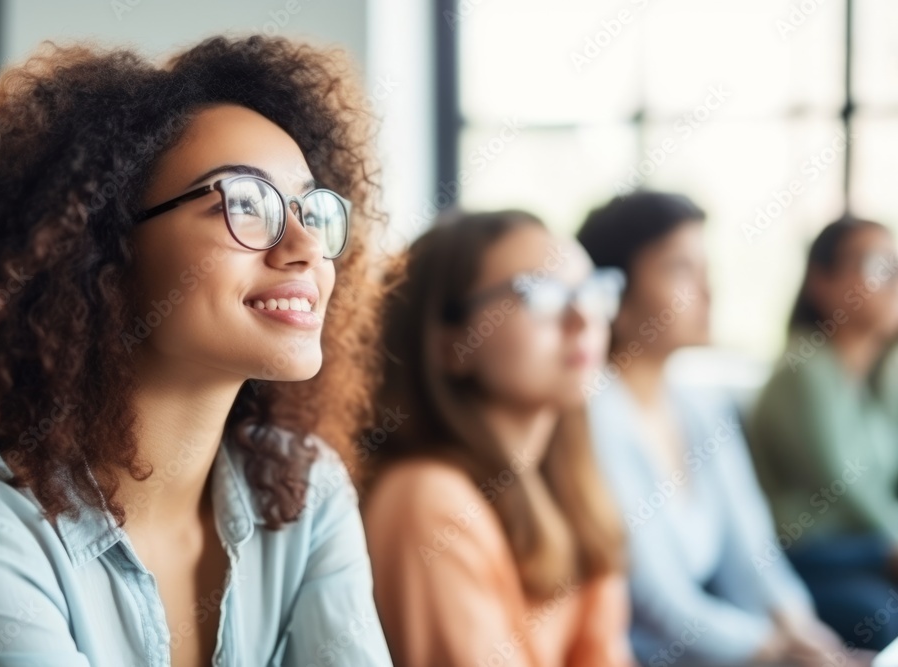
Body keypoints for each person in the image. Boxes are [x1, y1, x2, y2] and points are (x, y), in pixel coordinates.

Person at [0, 35, 392, 666]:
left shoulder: (305, 494)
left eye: (311, 211)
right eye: (243, 202)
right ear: (103, 248)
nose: (304, 248)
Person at [577, 191, 858, 666]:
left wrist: (807, 635)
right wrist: (776, 652)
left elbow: (754, 554)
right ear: (616, 295)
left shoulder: (700, 406)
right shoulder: (591, 415)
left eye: (704, 267)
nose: (708, 289)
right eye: (679, 269)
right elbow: (657, 606)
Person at [361, 209, 635, 666]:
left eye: (593, 292)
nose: (583, 319)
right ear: (449, 343)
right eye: (543, 295)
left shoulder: (568, 482)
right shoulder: (426, 497)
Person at [748, 216, 898, 650]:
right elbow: (845, 481)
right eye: (876, 265)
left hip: (866, 549)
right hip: (811, 554)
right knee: (881, 615)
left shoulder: (877, 373)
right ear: (822, 281)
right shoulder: (805, 368)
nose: (892, 281)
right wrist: (892, 542)